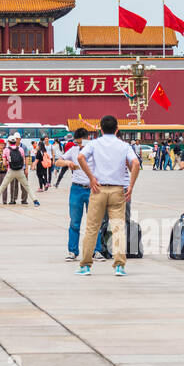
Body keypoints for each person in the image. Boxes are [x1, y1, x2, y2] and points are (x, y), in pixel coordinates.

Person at [75, 115, 139, 277]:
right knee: (118, 228)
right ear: (117, 129)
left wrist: (91, 177)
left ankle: (86, 265)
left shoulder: (95, 144)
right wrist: (130, 185)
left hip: (98, 189)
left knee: (92, 228)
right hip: (118, 190)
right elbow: (136, 163)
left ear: (100, 129)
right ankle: (119, 265)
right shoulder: (124, 146)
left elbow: (80, 157)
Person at [54, 128, 102, 262]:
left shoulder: (95, 151)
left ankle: (96, 250)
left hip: (92, 189)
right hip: (76, 189)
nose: (80, 145)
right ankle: (73, 251)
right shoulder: (74, 150)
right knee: (75, 222)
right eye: (78, 142)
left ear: (88, 139)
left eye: (82, 142)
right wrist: (67, 162)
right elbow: (57, 162)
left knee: (94, 222)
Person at [0, 134, 38, 206]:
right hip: (20, 171)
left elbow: (4, 163)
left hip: (11, 171)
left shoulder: (6, 150)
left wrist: (9, 162)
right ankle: (35, 201)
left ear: (9, 142)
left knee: (2, 186)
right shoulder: (21, 149)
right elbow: (22, 161)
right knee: (27, 186)